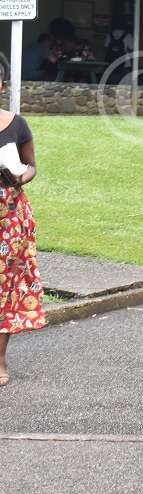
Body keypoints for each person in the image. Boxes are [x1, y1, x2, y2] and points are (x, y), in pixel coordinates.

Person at [0, 53, 41, 388]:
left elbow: (31, 165)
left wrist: (19, 178)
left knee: (7, 291)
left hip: (10, 220)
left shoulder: (16, 123)